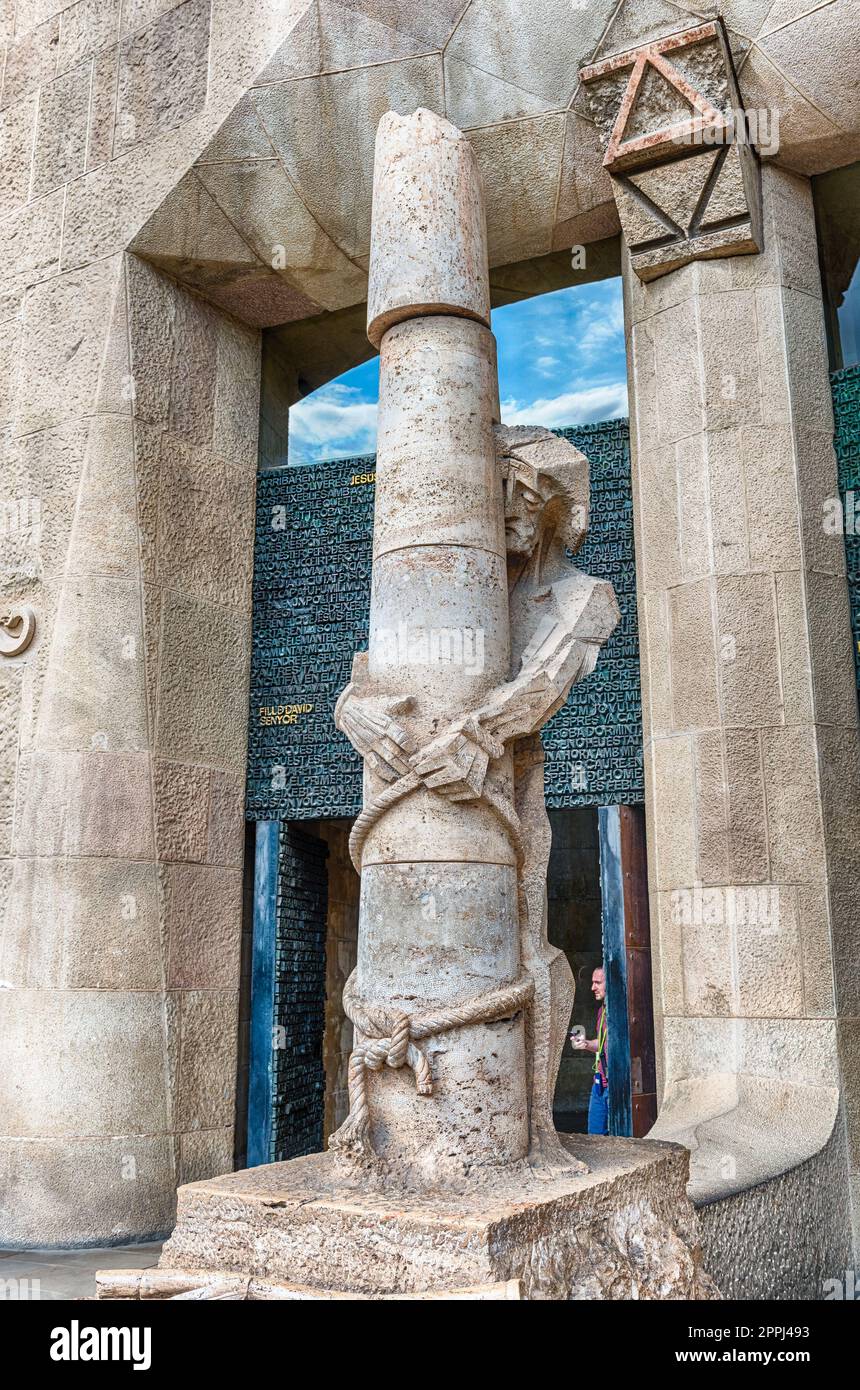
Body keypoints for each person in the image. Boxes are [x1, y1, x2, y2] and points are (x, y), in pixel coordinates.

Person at [572, 966, 609, 1135]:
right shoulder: (602, 1010)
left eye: (597, 983)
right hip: (599, 1083)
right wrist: (585, 1043)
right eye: (592, 982)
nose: (592, 987)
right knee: (594, 1136)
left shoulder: (622, 1011)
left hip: (615, 1084)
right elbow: (602, 1044)